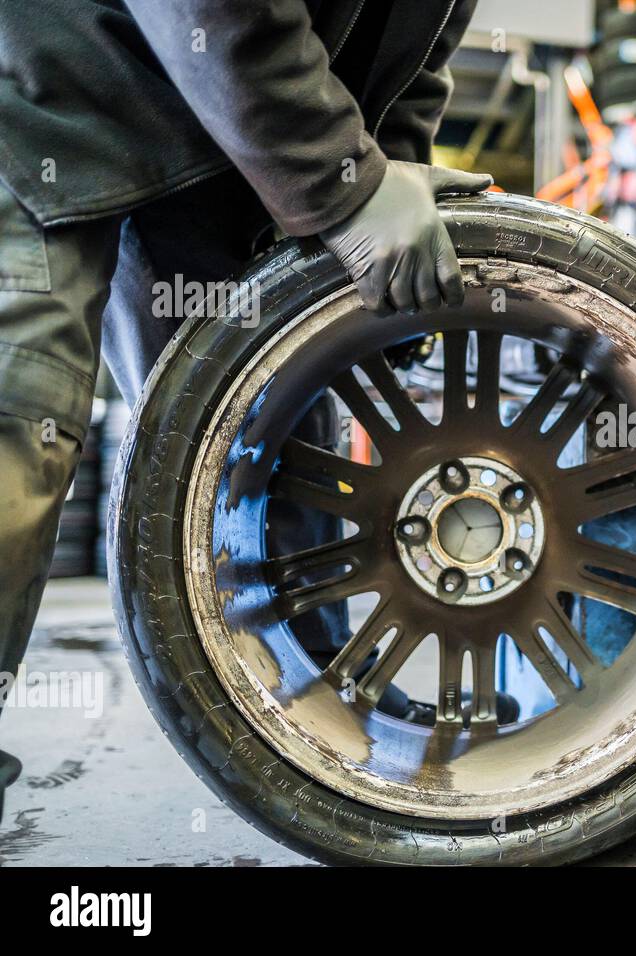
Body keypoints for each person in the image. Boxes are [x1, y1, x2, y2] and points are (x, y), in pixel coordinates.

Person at [0, 0, 491, 818]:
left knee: (268, 412)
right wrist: (348, 188)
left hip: (219, 130)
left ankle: (315, 706)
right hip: (45, 89)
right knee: (24, 412)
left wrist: (390, 196)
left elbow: (409, 53)